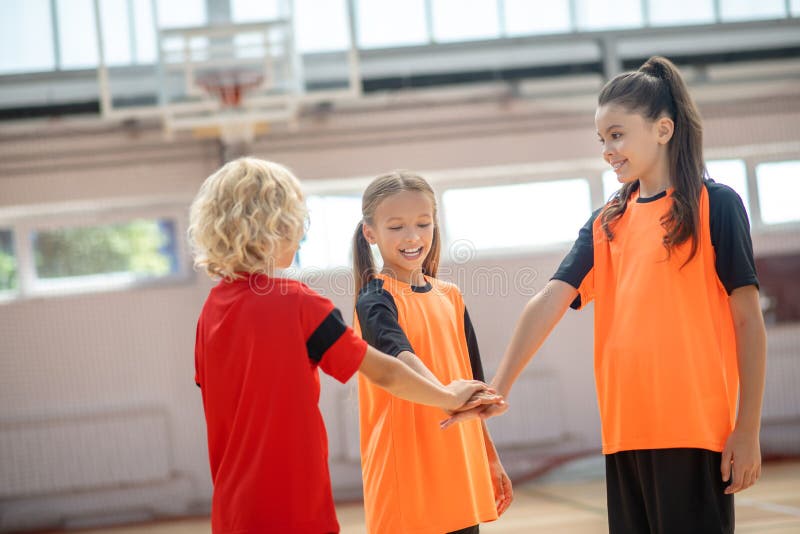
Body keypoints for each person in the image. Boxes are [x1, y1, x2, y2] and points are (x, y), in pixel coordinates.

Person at [445, 56, 767, 534]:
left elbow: (748, 322)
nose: (608, 150)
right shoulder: (606, 222)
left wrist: (748, 430)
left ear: (663, 129)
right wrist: (501, 384)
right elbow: (549, 300)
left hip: (696, 431)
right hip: (623, 434)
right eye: (602, 139)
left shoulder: (715, 205)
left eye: (617, 135)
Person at [188, 157, 500, 534]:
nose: (302, 233)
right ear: (278, 225)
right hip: (293, 507)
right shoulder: (299, 304)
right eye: (297, 220)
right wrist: (448, 397)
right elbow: (385, 370)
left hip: (232, 513)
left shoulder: (210, 313)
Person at [351, 171, 513, 534]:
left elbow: (475, 386)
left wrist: (489, 457)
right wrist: (445, 397)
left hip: (459, 468)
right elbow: (401, 359)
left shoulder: (451, 297)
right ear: (370, 233)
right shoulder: (375, 299)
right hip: (407, 474)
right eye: (396, 227)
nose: (412, 237)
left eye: (423, 223)